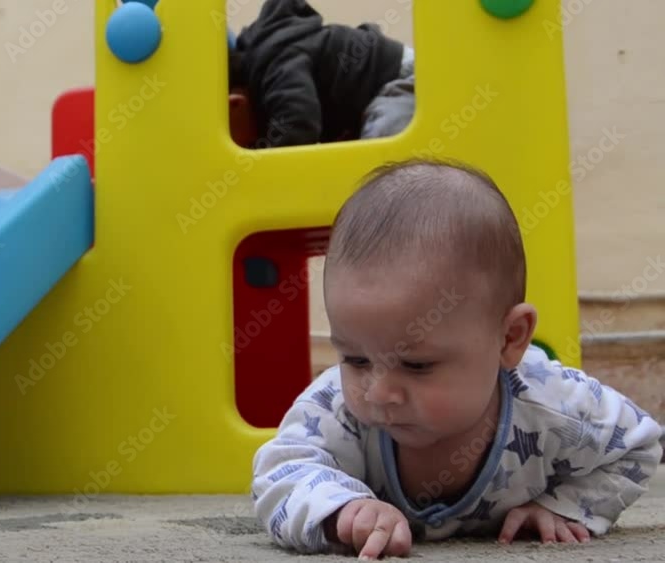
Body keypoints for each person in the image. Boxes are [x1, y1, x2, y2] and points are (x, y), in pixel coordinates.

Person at [251, 158, 663, 559]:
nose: (378, 391)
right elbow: (281, 470)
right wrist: (340, 509)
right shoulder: (336, 406)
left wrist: (567, 505)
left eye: (416, 365)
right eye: (356, 359)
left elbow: (637, 445)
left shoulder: (554, 403)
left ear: (509, 339)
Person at [228, 0, 416, 149]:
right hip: (373, 94)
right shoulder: (263, 74)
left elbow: (299, 123)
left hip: (399, 78)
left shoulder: (274, 63)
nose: (246, 147)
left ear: (235, 104)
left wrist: (267, 169)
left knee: (381, 159)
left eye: (242, 143)